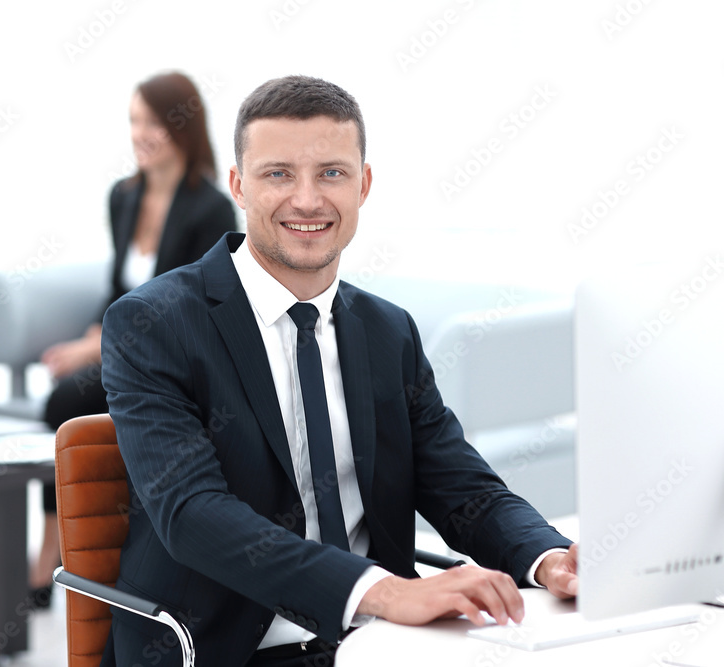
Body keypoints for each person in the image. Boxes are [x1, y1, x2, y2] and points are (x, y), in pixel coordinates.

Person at [99, 76, 578, 665]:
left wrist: (550, 558)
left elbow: (463, 488)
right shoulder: (153, 324)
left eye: (331, 173)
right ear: (238, 186)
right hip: (221, 647)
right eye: (278, 174)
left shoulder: (387, 330)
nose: (307, 200)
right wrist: (381, 591)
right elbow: (193, 514)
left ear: (363, 185)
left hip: (378, 646)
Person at [30, 72, 237, 606]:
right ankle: (61, 547)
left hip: (173, 357)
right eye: (133, 121)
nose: (140, 133)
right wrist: (92, 336)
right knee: (64, 398)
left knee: (65, 399)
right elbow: (119, 290)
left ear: (183, 129)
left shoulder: (210, 208)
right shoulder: (123, 197)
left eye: (153, 122)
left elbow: (185, 306)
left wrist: (95, 347)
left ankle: (53, 552)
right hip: (124, 344)